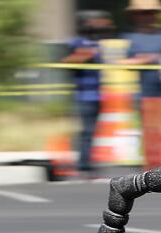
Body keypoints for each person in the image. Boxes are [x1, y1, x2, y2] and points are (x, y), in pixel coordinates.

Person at [122, 0, 161, 170]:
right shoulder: (131, 38)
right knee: (146, 131)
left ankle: (158, 165)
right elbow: (124, 62)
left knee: (160, 130)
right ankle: (148, 166)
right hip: (142, 92)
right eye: (144, 13)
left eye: (152, 12)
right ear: (136, 16)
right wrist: (144, 60)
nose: (149, 17)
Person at [62, 11, 111, 178]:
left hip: (97, 94)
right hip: (84, 95)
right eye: (93, 22)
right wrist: (85, 54)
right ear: (84, 23)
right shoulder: (76, 42)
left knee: (92, 132)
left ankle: (88, 161)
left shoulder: (96, 43)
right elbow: (67, 62)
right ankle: (84, 166)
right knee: (87, 131)